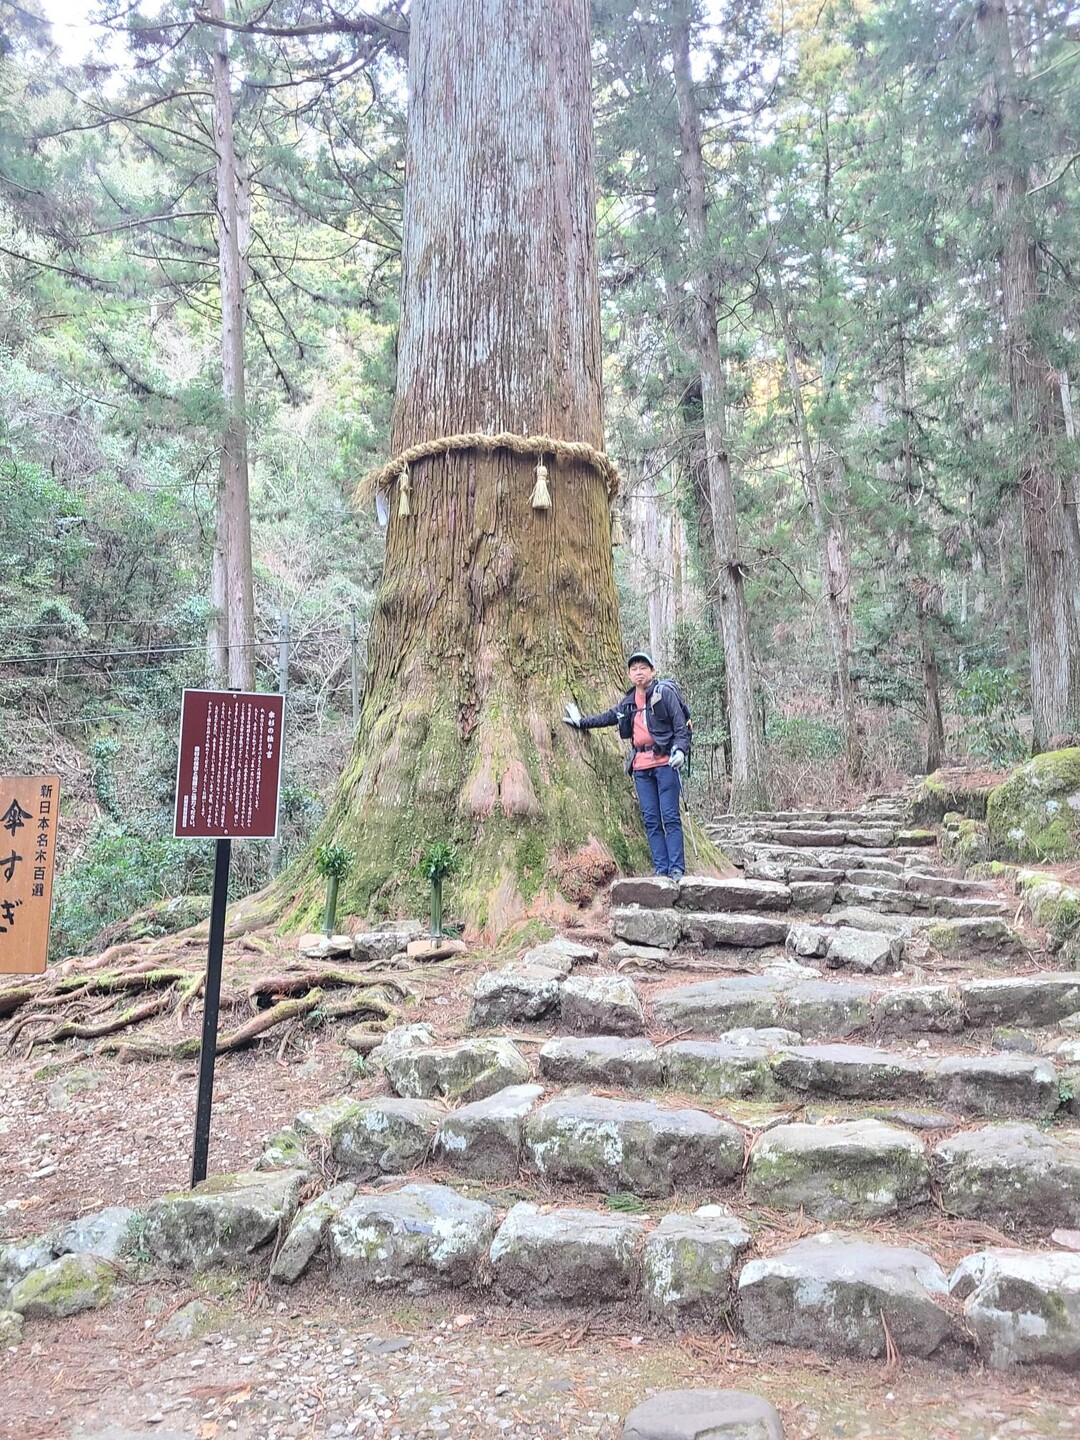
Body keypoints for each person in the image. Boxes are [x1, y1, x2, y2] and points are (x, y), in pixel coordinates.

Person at [563, 651, 689, 881]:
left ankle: (677, 868)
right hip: (641, 767)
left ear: (653, 671)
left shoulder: (664, 693)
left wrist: (680, 750)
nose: (639, 672)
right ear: (629, 674)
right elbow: (610, 717)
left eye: (643, 667)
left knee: (670, 816)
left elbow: (681, 727)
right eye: (634, 668)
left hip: (665, 763)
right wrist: (582, 722)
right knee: (651, 818)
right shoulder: (629, 701)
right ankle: (661, 869)